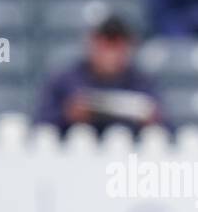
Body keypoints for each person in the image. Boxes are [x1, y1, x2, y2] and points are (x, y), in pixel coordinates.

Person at [34, 14, 165, 135]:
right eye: (105, 43)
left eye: (116, 44)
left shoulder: (142, 83)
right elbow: (40, 126)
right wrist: (67, 115)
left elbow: (168, 130)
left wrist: (153, 120)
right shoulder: (64, 81)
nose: (110, 53)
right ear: (91, 43)